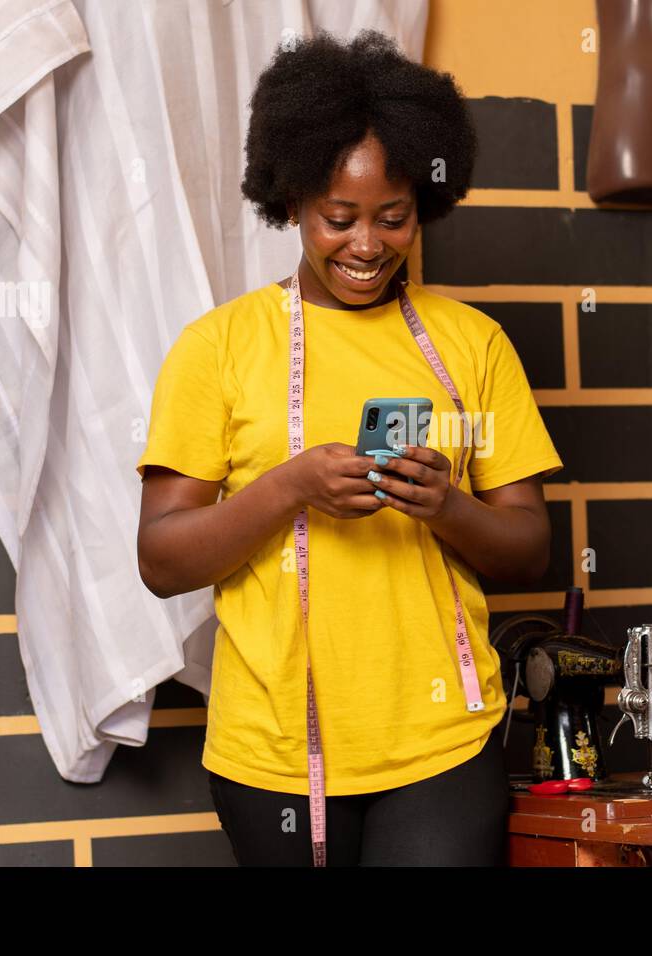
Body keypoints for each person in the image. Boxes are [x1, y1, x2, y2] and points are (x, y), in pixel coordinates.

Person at [135, 30, 563, 866]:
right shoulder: (217, 348)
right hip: (273, 748)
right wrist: (288, 488)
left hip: (441, 738)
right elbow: (161, 560)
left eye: (392, 218)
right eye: (338, 218)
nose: (366, 245)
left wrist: (447, 507)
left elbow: (529, 549)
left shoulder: (473, 345)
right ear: (291, 201)